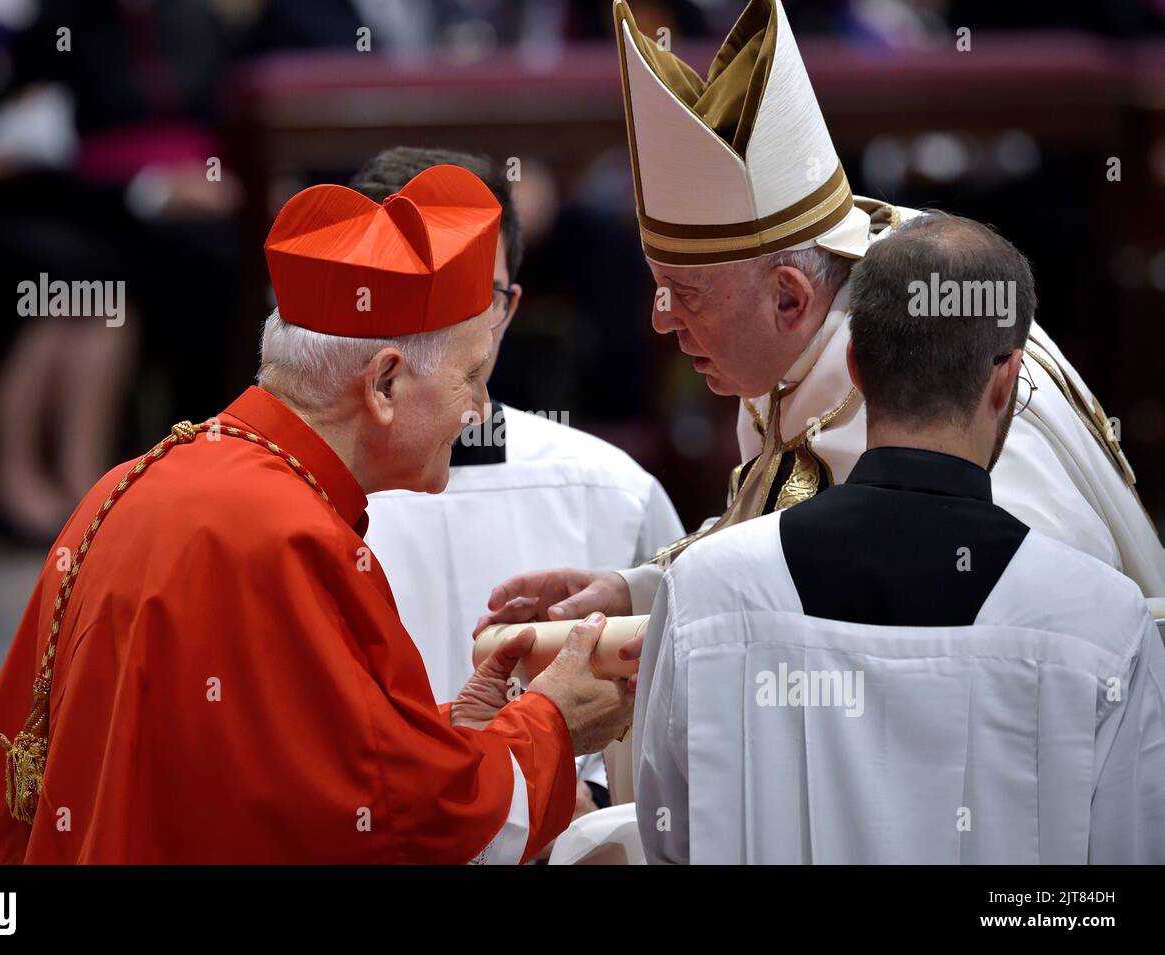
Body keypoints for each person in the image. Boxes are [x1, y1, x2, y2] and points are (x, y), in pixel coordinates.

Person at [0, 165, 634, 864]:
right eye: (471, 376)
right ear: (384, 382)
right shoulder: (285, 536)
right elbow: (397, 823)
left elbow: (302, 778)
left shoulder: (140, 480)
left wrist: (465, 728)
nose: (480, 409)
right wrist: (549, 725)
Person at [479, 0, 1165, 639]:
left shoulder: (934, 376)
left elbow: (1042, 640)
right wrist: (638, 596)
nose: (662, 323)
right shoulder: (803, 335)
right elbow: (783, 541)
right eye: (659, 290)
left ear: (788, 297)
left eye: (685, 295)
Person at [634, 212, 1165, 863]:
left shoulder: (707, 595)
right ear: (1005, 379)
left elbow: (670, 838)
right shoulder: (1104, 621)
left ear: (852, 366)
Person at [356, 148, 683, 815]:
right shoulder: (288, 490)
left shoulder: (613, 491)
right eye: (417, 290)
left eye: (475, 296)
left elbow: (677, 740)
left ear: (511, 307)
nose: (444, 331)